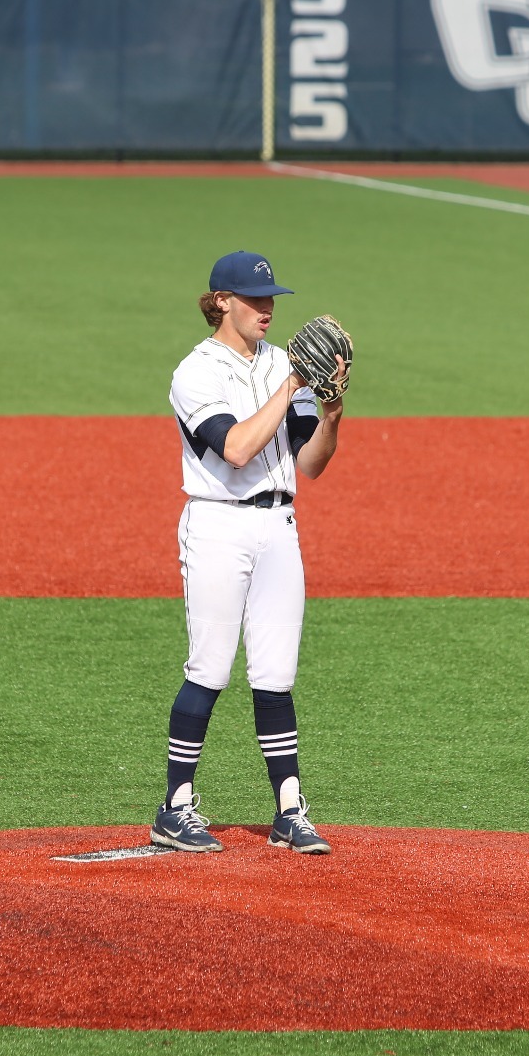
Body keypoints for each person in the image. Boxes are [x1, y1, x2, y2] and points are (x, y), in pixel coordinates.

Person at [152, 250, 344, 855]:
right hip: (217, 527)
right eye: (255, 300)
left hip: (280, 525)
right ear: (222, 303)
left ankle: (290, 808)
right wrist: (292, 387)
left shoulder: (287, 362)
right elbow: (234, 448)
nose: (267, 309)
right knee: (209, 669)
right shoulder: (195, 373)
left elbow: (311, 463)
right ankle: (175, 806)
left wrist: (333, 410)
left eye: (271, 300)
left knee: (276, 674)